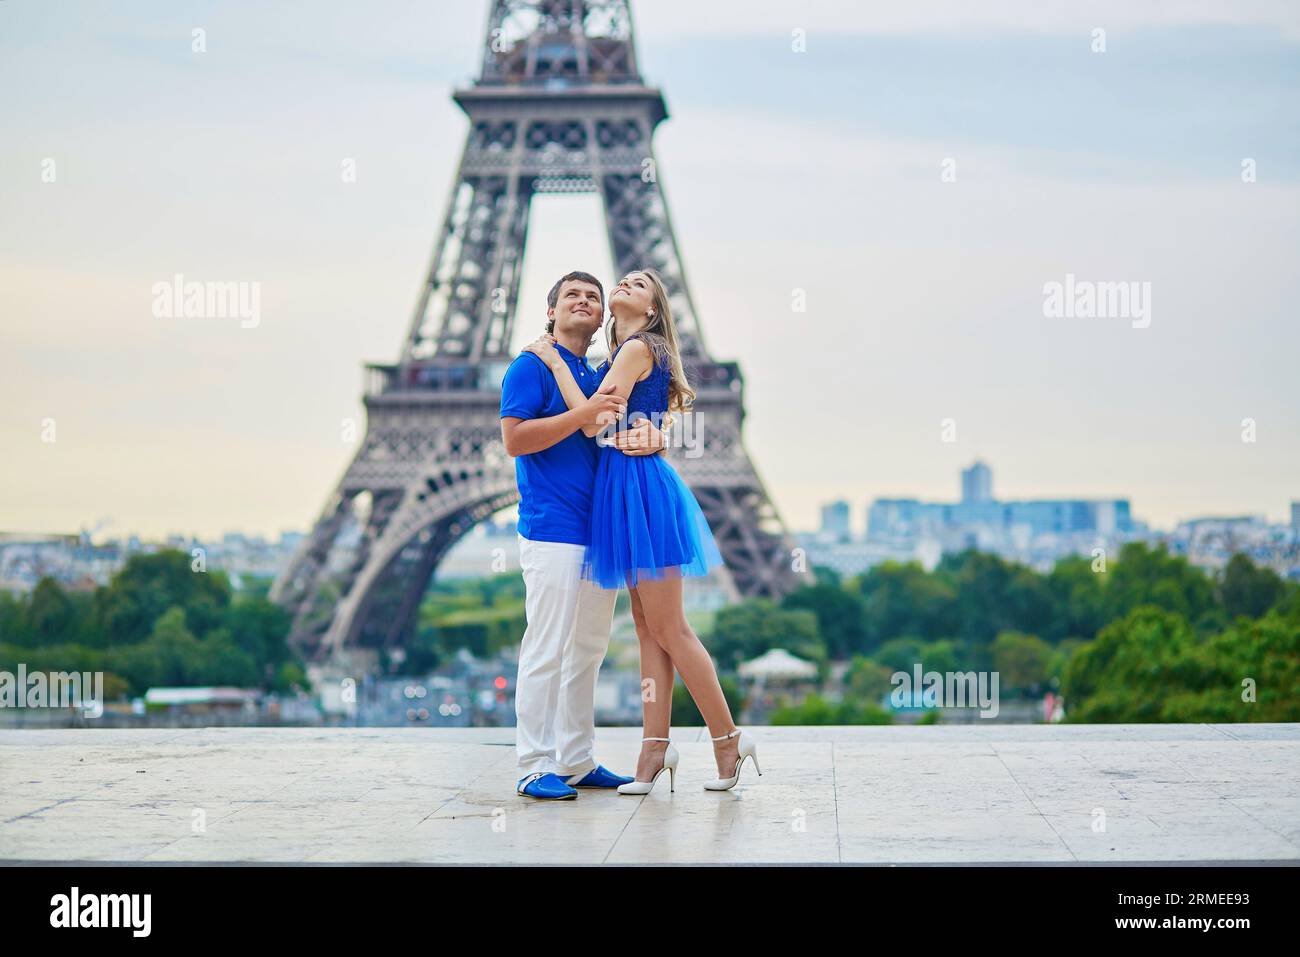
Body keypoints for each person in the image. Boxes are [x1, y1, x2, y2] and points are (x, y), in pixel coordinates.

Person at [524, 268, 761, 794]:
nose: (627, 284)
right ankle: (654, 749)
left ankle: (726, 737)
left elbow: (591, 422)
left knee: (670, 627)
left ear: (653, 309)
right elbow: (619, 414)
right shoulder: (623, 353)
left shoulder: (634, 349)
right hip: (624, 486)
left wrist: (549, 360)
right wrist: (656, 430)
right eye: (624, 281)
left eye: (641, 283)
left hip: (636, 488)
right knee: (648, 628)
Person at [499, 270, 668, 800]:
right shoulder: (531, 365)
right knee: (546, 646)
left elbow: (614, 425)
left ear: (600, 320)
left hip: (602, 528)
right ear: (550, 312)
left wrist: (656, 434)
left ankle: (574, 759)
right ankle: (533, 763)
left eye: (593, 297)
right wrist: (581, 415)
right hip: (553, 529)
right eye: (571, 294)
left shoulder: (594, 371)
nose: (584, 301)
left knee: (589, 648)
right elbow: (515, 439)